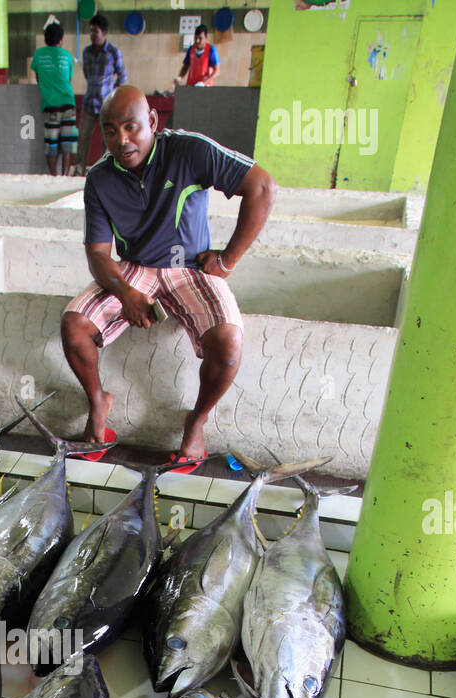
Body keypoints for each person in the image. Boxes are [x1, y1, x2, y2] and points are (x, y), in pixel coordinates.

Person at [62, 86, 277, 471]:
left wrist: (227, 260)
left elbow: (262, 186)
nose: (122, 140)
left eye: (131, 127)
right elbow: (97, 254)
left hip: (190, 269)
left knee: (228, 344)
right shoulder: (99, 178)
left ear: (153, 122)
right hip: (135, 269)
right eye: (110, 131)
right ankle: (98, 401)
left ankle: (196, 422)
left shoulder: (188, 150)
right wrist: (126, 292)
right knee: (74, 326)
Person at [75, 14, 125, 176]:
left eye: (95, 31)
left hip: (106, 105)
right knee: (83, 137)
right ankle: (79, 169)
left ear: (104, 33)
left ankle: (106, 172)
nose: (92, 35)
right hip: (89, 103)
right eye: (90, 31)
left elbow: (123, 76)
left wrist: (113, 95)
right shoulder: (86, 52)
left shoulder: (113, 52)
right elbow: (87, 75)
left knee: (107, 140)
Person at [30, 19, 77, 177]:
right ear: (61, 40)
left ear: (45, 38)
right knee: (67, 145)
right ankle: (64, 177)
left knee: (51, 145)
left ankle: (53, 177)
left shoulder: (38, 55)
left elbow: (38, 78)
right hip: (68, 104)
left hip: (51, 106)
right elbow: (68, 81)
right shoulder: (67, 56)